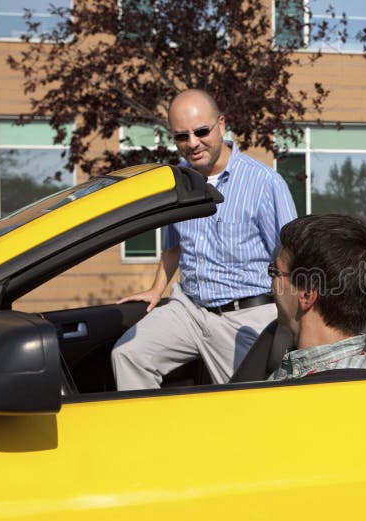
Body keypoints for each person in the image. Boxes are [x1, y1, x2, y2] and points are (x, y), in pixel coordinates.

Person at [111, 89, 297, 389]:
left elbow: (292, 257)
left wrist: (296, 321)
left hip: (246, 316)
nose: (193, 143)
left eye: (201, 131)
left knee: (246, 410)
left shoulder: (264, 183)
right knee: (128, 354)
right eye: (182, 136)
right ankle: (147, 436)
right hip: (189, 309)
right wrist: (156, 289)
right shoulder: (178, 182)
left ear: (221, 124)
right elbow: (173, 248)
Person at [267, 214, 366, 380]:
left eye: (274, 272)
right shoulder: (362, 384)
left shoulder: (323, 392)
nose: (270, 285)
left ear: (306, 294)